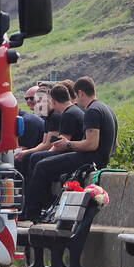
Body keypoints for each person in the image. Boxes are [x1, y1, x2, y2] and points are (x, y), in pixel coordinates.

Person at [20, 83, 92, 220]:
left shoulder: (66, 115)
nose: (37, 105)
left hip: (74, 154)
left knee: (38, 161)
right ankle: (31, 205)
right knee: (34, 158)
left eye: (41, 101)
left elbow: (61, 144)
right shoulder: (61, 114)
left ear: (52, 101)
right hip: (72, 152)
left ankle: (32, 208)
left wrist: (46, 156)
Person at [17, 85, 46, 150]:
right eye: (26, 99)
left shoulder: (30, 120)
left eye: (32, 98)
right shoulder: (32, 116)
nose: (28, 101)